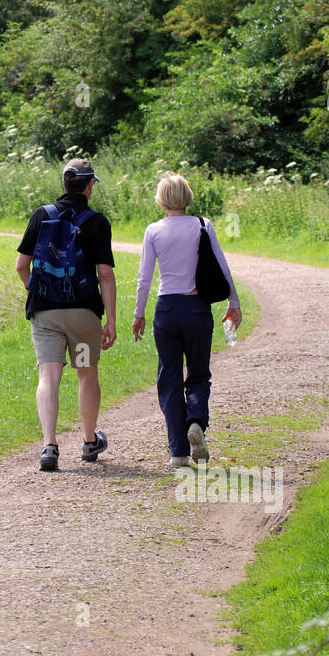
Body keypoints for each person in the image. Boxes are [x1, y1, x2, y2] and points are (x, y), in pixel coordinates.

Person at [131, 173, 241, 468]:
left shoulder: (153, 230)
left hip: (167, 309)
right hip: (197, 308)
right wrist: (234, 303)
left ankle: (178, 451)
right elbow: (222, 265)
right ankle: (196, 422)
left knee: (169, 377)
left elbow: (144, 278)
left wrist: (139, 313)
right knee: (198, 373)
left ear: (161, 199)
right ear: (187, 196)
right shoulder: (203, 225)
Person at [15, 158, 117, 472]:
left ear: (64, 184)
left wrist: (38, 290)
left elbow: (21, 265)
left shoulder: (40, 215)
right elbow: (105, 275)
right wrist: (110, 319)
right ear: (89, 186)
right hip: (83, 316)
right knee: (85, 373)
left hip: (46, 315)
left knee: (48, 377)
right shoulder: (97, 221)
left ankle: (49, 446)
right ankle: (89, 441)